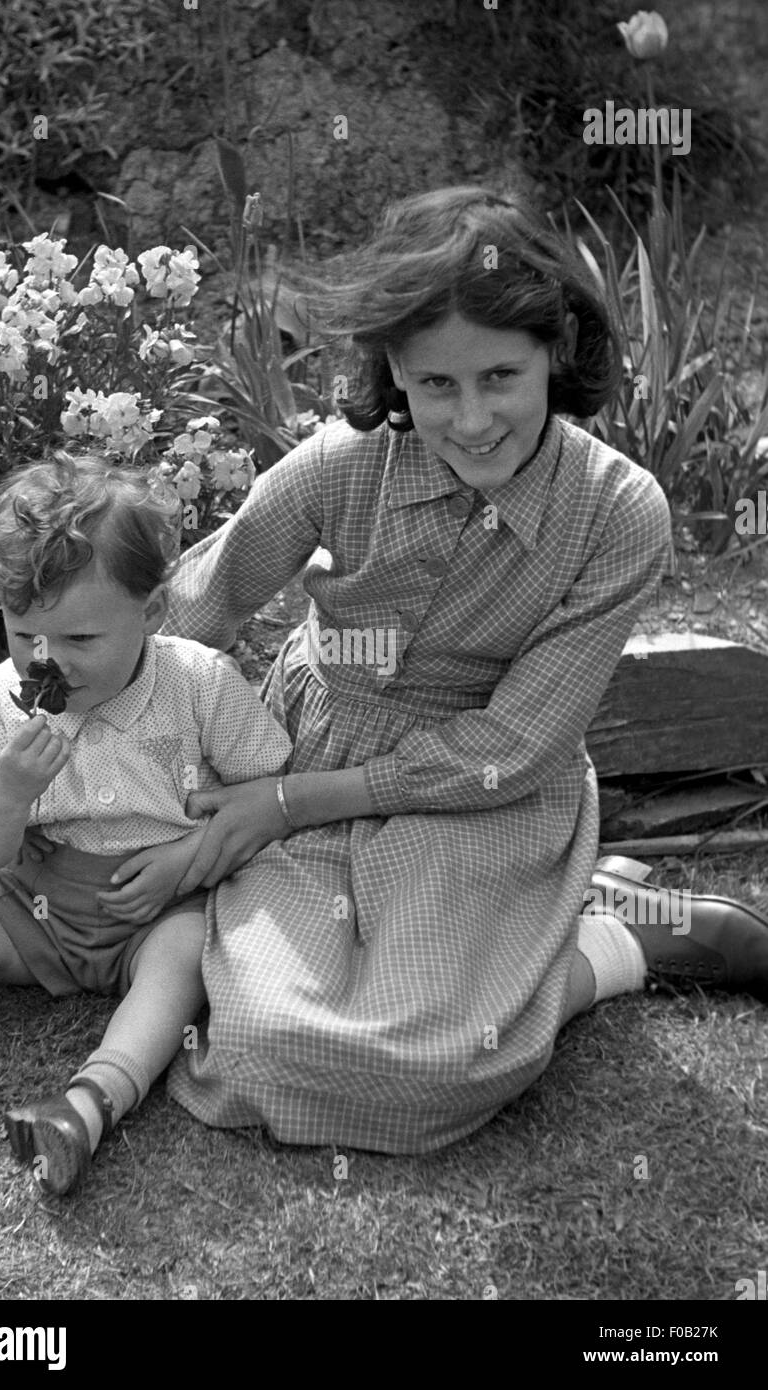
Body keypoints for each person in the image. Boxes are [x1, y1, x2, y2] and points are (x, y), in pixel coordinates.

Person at [135, 183, 768, 1155]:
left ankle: (616, 940)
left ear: (554, 354)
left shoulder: (618, 511)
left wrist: (290, 803)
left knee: (440, 1059)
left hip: (482, 793)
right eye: (437, 385)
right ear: (393, 368)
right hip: (308, 751)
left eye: (500, 377)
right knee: (260, 1045)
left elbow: (516, 744)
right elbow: (194, 608)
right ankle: (579, 907)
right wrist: (83, 716)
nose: (472, 420)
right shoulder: (338, 465)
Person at [0, 452, 292, 1193]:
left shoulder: (195, 682)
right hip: (40, 905)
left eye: (81, 640)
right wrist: (10, 794)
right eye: (25, 636)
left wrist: (189, 861)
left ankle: (89, 1104)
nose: (45, 660)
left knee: (183, 957)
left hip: (164, 905)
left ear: (149, 613)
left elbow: (264, 796)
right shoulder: (0, 697)